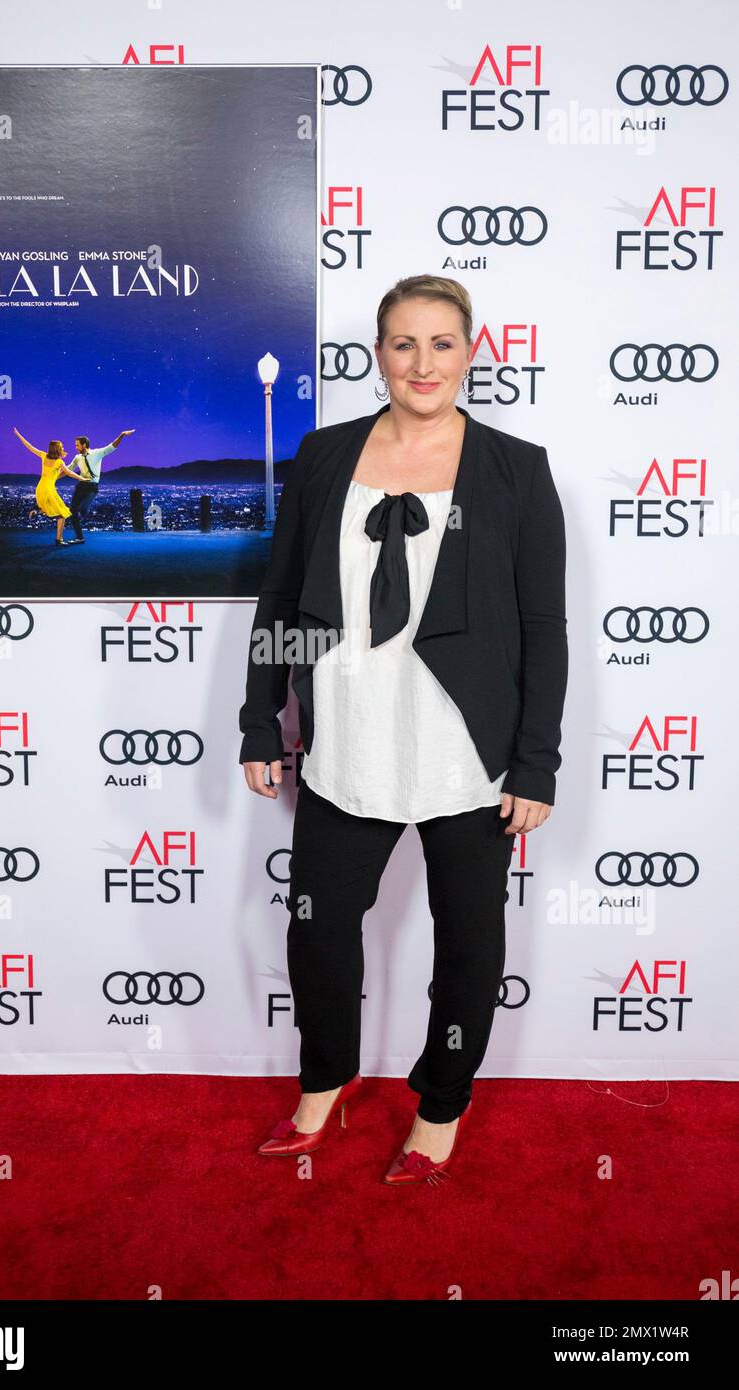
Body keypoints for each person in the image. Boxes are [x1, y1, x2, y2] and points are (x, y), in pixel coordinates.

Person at [238, 274, 568, 1187]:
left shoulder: (516, 469)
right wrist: (261, 721)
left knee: (468, 939)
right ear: (378, 354)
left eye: (442, 343)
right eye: (403, 344)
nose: (423, 363)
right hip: (346, 740)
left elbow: (545, 627)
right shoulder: (323, 454)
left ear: (472, 350)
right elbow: (282, 598)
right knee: (318, 931)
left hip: (467, 755)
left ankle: (441, 1107)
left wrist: (535, 764)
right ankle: (323, 1083)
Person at [13, 430, 84, 545]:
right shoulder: (59, 462)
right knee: (62, 514)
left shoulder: (43, 456)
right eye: (61, 447)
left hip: (40, 487)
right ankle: (58, 540)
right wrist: (81, 478)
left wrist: (18, 435)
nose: (63, 448)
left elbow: (29, 446)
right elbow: (69, 473)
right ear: (58, 449)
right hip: (49, 489)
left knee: (48, 508)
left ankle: (36, 511)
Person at [67, 430, 136, 541]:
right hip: (81, 485)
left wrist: (122, 435)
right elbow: (68, 469)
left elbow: (112, 446)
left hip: (92, 486)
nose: (76, 447)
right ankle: (79, 537)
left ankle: (84, 514)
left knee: (82, 509)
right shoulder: (77, 458)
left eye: (77, 445)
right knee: (72, 511)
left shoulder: (97, 453)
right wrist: (53, 477)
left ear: (84, 445)